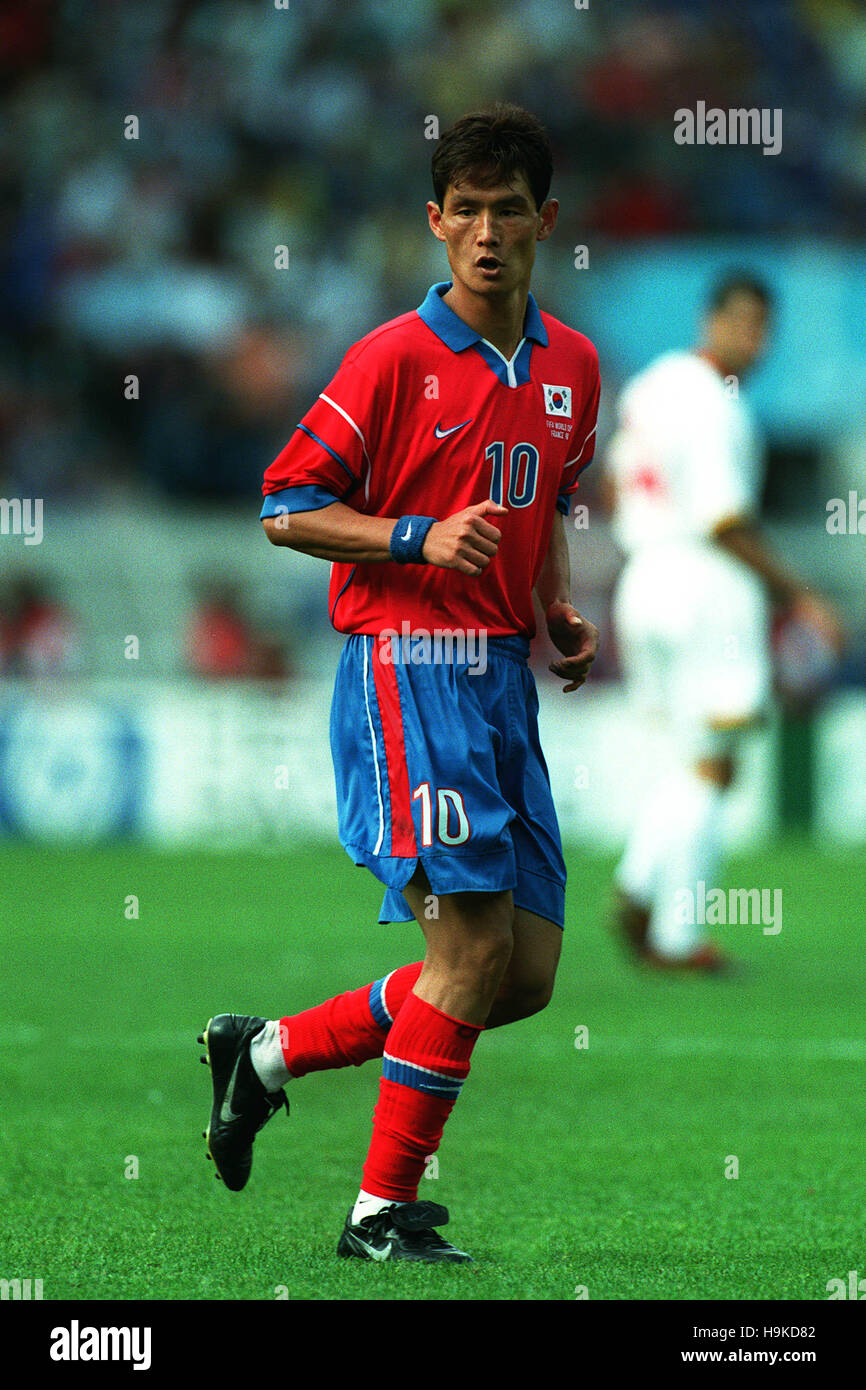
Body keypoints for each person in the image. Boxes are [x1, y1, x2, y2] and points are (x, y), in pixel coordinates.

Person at [198, 104, 601, 1262]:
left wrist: (552, 612)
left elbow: (547, 506)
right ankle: (380, 1214)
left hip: (500, 686)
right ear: (434, 224)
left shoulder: (571, 365)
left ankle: (263, 1052)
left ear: (544, 223)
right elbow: (284, 506)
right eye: (463, 211)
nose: (485, 232)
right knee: (467, 956)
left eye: (507, 211)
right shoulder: (390, 358)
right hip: (405, 673)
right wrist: (412, 538)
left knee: (513, 976)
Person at [602, 273, 843, 971]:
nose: (757, 342)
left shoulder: (652, 385)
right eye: (747, 325)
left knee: (689, 758)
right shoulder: (716, 404)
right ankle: (663, 916)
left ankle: (649, 899)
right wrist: (802, 595)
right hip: (703, 582)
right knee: (716, 764)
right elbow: (724, 519)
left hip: (641, 574)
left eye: (765, 328)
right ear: (714, 320)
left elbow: (614, 480)